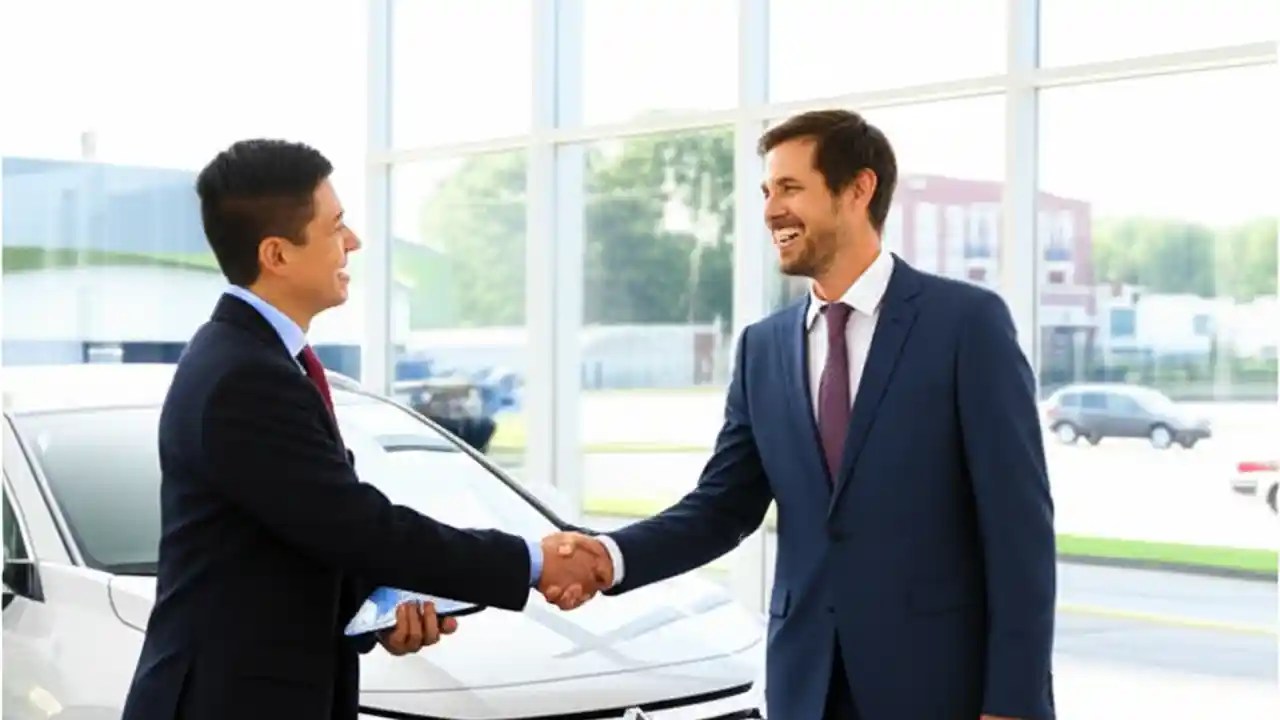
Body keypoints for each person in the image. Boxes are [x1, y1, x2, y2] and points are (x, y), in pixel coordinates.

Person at [546, 110, 1057, 719]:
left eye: (790, 189)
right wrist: (608, 557)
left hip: (938, 689)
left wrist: (1015, 703)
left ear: (858, 190)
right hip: (805, 687)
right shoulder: (763, 348)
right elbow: (721, 508)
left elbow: (1019, 534)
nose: (769, 210)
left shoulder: (965, 325)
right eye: (767, 192)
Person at [120, 139, 604, 720]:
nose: (353, 242)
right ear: (276, 254)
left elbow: (308, 534)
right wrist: (530, 561)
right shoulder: (243, 376)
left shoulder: (258, 358)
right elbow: (357, 526)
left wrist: (378, 606)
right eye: (336, 227)